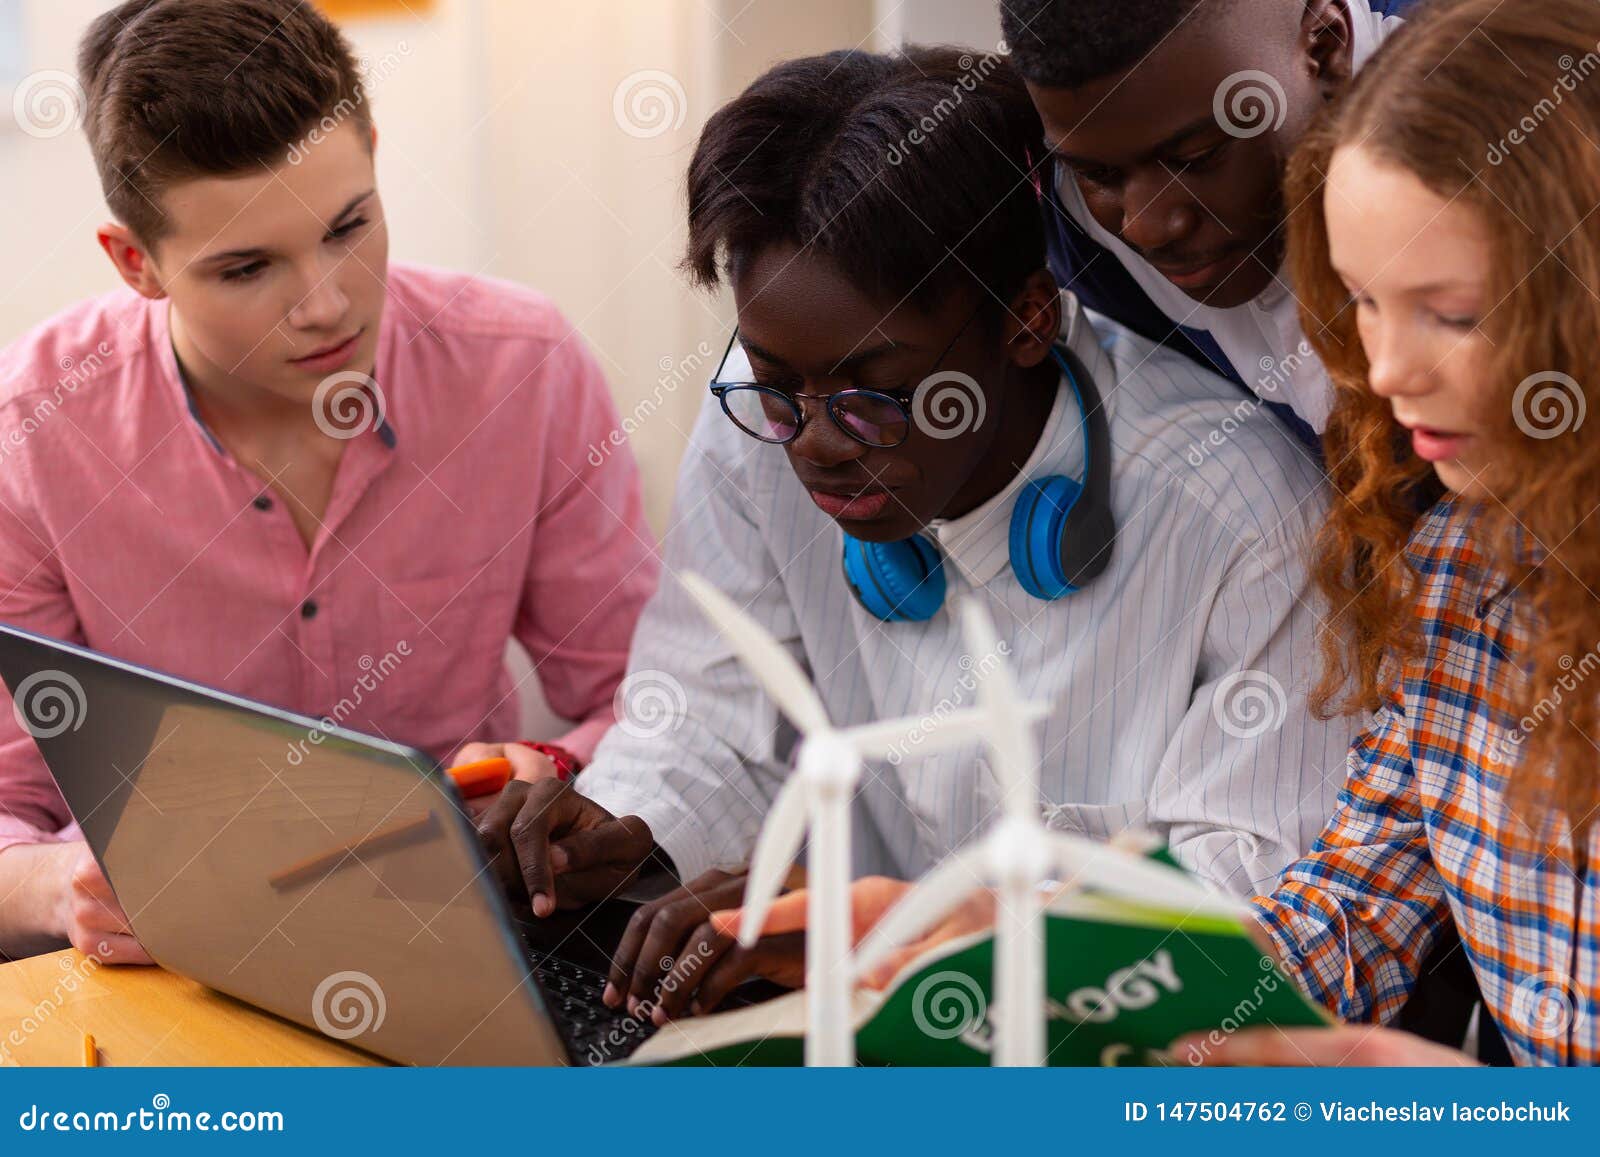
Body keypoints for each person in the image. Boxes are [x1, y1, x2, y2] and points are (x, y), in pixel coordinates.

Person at [475, 47, 1355, 1023]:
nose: (814, 442)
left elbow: (1241, 916)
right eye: (775, 384)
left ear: (1026, 318)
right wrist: (620, 825)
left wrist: (902, 936)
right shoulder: (759, 435)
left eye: (877, 393)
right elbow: (709, 712)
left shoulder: (1245, 516)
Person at [0, 0, 657, 962]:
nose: (326, 304)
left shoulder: (523, 369)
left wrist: (554, 771)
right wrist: (62, 884)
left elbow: (654, 699)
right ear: (136, 262)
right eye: (247, 269)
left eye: (348, 226)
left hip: (466, 936)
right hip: (170, 968)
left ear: (375, 157)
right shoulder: (31, 433)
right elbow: (8, 805)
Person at [1172, 0, 1600, 1066]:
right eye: (1361, 299)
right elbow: (1357, 898)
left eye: (1452, 313)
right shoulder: (1462, 560)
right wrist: (1113, 988)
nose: (1386, 370)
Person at [999, 0, 1415, 438]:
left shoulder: (1459, 122)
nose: (1145, 229)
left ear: (1324, 51)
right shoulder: (1076, 227)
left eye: (1197, 157)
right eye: (1098, 175)